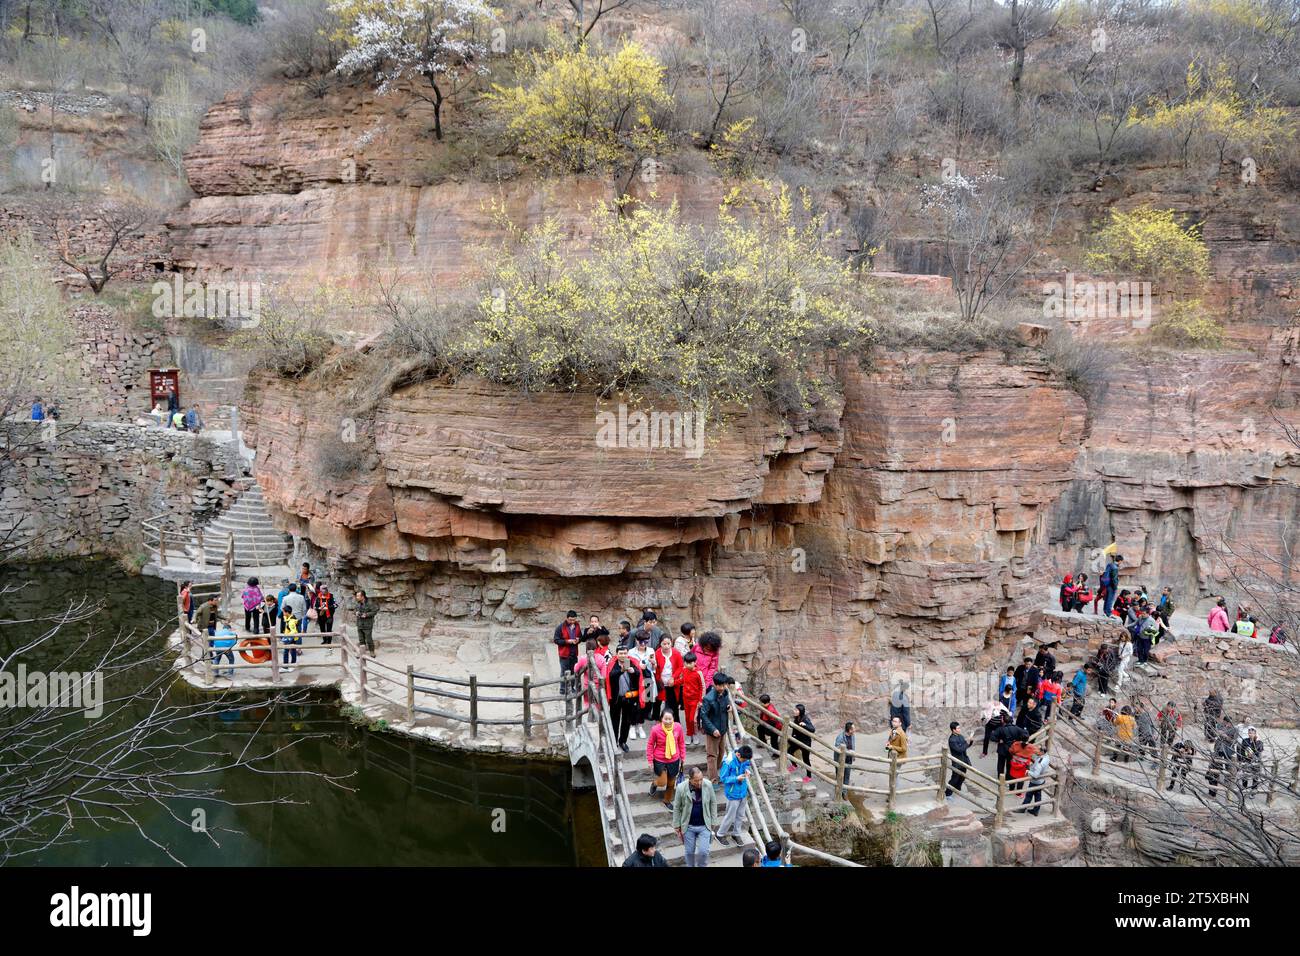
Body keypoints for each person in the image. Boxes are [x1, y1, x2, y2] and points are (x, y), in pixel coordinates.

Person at [672, 766, 716, 867]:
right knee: (689, 852)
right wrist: (676, 825)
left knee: (704, 852)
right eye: (696, 781)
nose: (700, 782)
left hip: (704, 825)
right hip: (688, 826)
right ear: (690, 779)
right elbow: (677, 807)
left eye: (701, 779)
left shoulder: (708, 784)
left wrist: (713, 821)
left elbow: (713, 803)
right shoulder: (681, 787)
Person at [605, 648, 645, 752]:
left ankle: (623, 741)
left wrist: (634, 671)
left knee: (626, 721)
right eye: (621, 653)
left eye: (625, 653)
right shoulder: (612, 663)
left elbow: (639, 676)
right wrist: (621, 671)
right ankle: (614, 742)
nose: (623, 655)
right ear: (617, 654)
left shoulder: (633, 662)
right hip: (616, 698)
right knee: (614, 720)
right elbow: (611, 676)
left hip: (629, 697)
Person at [715, 744, 753, 847]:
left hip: (742, 792)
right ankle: (720, 834)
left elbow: (747, 764)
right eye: (744, 760)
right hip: (733, 794)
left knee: (740, 815)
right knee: (730, 816)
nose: (746, 761)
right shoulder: (729, 762)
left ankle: (736, 834)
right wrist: (736, 778)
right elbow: (723, 778)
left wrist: (747, 770)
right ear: (738, 755)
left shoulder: (744, 759)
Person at [646, 711, 685, 807]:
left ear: (673, 719)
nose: (668, 721)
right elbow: (650, 745)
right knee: (663, 782)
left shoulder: (678, 727)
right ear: (661, 719)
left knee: (671, 782)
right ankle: (655, 783)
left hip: (674, 759)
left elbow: (681, 743)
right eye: (665, 719)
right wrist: (650, 760)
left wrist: (683, 756)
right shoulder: (655, 730)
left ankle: (667, 800)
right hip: (660, 759)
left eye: (670, 719)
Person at [698, 673, 731, 781]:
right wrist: (713, 729)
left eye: (723, 685)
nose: (722, 688)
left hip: (723, 729)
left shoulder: (725, 693)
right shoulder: (708, 698)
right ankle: (713, 779)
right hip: (713, 730)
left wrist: (728, 707)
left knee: (721, 752)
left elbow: (726, 704)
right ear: (714, 685)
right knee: (712, 755)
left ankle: (715, 772)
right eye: (719, 686)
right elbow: (703, 715)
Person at [629, 632, 657, 734]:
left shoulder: (651, 650)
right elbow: (628, 667)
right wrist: (637, 668)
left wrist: (653, 663)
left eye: (645, 642)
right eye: (640, 642)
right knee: (634, 703)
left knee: (646, 703)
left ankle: (640, 725)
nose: (643, 644)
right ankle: (632, 726)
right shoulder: (631, 652)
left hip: (648, 679)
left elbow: (654, 668)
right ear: (636, 640)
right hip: (635, 680)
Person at [653, 635, 684, 722]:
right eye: (664, 644)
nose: (666, 646)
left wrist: (673, 678)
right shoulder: (657, 653)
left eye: (668, 643)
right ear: (660, 644)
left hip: (672, 682)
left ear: (671, 643)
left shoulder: (676, 653)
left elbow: (680, 667)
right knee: (658, 702)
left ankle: (675, 722)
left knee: (673, 703)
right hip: (661, 682)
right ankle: (658, 721)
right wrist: (659, 679)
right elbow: (656, 669)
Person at [680, 651, 706, 745]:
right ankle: (689, 734)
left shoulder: (698, 673)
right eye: (686, 663)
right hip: (686, 699)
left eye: (690, 663)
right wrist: (674, 682)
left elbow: (702, 687)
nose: (688, 665)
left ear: (695, 662)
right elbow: (682, 680)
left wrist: (700, 700)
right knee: (687, 718)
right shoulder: (684, 670)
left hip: (695, 700)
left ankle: (694, 734)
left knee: (693, 719)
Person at [992, 716, 1028, 782]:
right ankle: (1008, 778)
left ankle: (1000, 778)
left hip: (1002, 749)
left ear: (1004, 721)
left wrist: (998, 740)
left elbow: (992, 737)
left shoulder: (1000, 729)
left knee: (1000, 764)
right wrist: (1018, 740)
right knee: (1009, 764)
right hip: (1012, 749)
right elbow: (1026, 734)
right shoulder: (1017, 728)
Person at [789, 704, 815, 782]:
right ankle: (794, 765)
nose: (794, 711)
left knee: (806, 760)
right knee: (789, 751)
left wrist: (805, 725)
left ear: (800, 711)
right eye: (795, 709)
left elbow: (813, 729)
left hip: (805, 742)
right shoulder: (796, 718)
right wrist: (793, 736)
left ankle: (809, 776)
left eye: (796, 710)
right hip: (797, 740)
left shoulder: (805, 719)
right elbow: (794, 729)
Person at [553, 610, 582, 678]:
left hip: (574, 654)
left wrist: (578, 640)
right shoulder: (560, 627)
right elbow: (556, 640)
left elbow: (580, 636)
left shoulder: (577, 625)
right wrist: (567, 641)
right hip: (564, 655)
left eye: (574, 620)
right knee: (564, 673)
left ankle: (572, 688)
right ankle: (563, 689)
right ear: (567, 618)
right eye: (570, 620)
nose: (572, 622)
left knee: (573, 672)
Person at [1021, 748, 1051, 815]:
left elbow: (1035, 775)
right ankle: (1036, 810)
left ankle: (1023, 808)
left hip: (1036, 781)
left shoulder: (1040, 763)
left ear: (1042, 752)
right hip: (1041, 780)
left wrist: (1028, 771)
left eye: (1038, 750)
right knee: (1038, 796)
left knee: (1029, 795)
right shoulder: (1047, 757)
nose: (1036, 751)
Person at [946, 721, 971, 799]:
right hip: (957, 762)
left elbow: (965, 746)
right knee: (955, 778)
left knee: (962, 777)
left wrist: (970, 741)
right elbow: (959, 749)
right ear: (953, 730)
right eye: (958, 728)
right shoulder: (952, 740)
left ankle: (957, 789)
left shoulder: (960, 736)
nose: (960, 729)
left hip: (964, 760)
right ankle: (948, 793)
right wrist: (966, 743)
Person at [1238, 727, 1264, 796]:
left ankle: (1253, 792)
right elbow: (1242, 750)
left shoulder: (1259, 742)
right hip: (1246, 760)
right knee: (1245, 776)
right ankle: (1244, 789)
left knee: (1255, 777)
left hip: (1256, 761)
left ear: (1255, 734)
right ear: (1248, 734)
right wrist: (1245, 756)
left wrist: (1255, 741)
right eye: (1249, 733)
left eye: (1252, 733)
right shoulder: (1245, 740)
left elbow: (1259, 750)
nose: (1251, 735)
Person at [834, 721, 856, 797]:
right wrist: (848, 751)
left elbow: (853, 745)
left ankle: (844, 792)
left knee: (847, 775)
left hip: (848, 759)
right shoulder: (840, 737)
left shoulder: (852, 736)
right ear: (850, 730)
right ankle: (838, 790)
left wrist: (853, 755)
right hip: (840, 760)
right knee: (839, 775)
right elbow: (837, 747)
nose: (855, 730)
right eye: (853, 728)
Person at [354, 590, 377, 654]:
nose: (357, 597)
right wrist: (356, 612)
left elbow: (375, 611)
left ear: (362, 596)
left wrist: (366, 615)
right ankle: (362, 652)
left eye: (358, 596)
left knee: (369, 639)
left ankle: (372, 651)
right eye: (356, 596)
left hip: (367, 624)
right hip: (359, 624)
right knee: (361, 639)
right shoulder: (357, 603)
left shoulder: (370, 603)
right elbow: (355, 610)